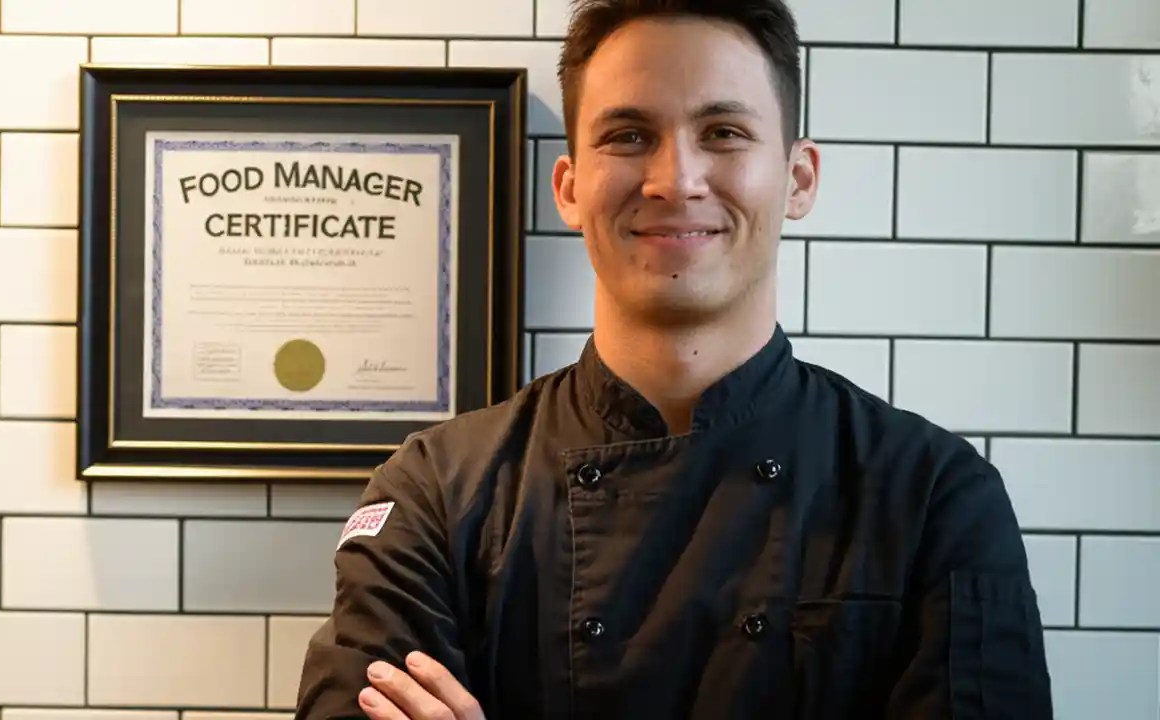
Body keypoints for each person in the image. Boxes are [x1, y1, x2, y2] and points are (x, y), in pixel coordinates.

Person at [294, 0, 1054, 717]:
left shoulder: (932, 497)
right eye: (628, 136)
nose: (675, 181)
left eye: (722, 132)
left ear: (797, 178)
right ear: (568, 187)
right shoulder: (437, 492)